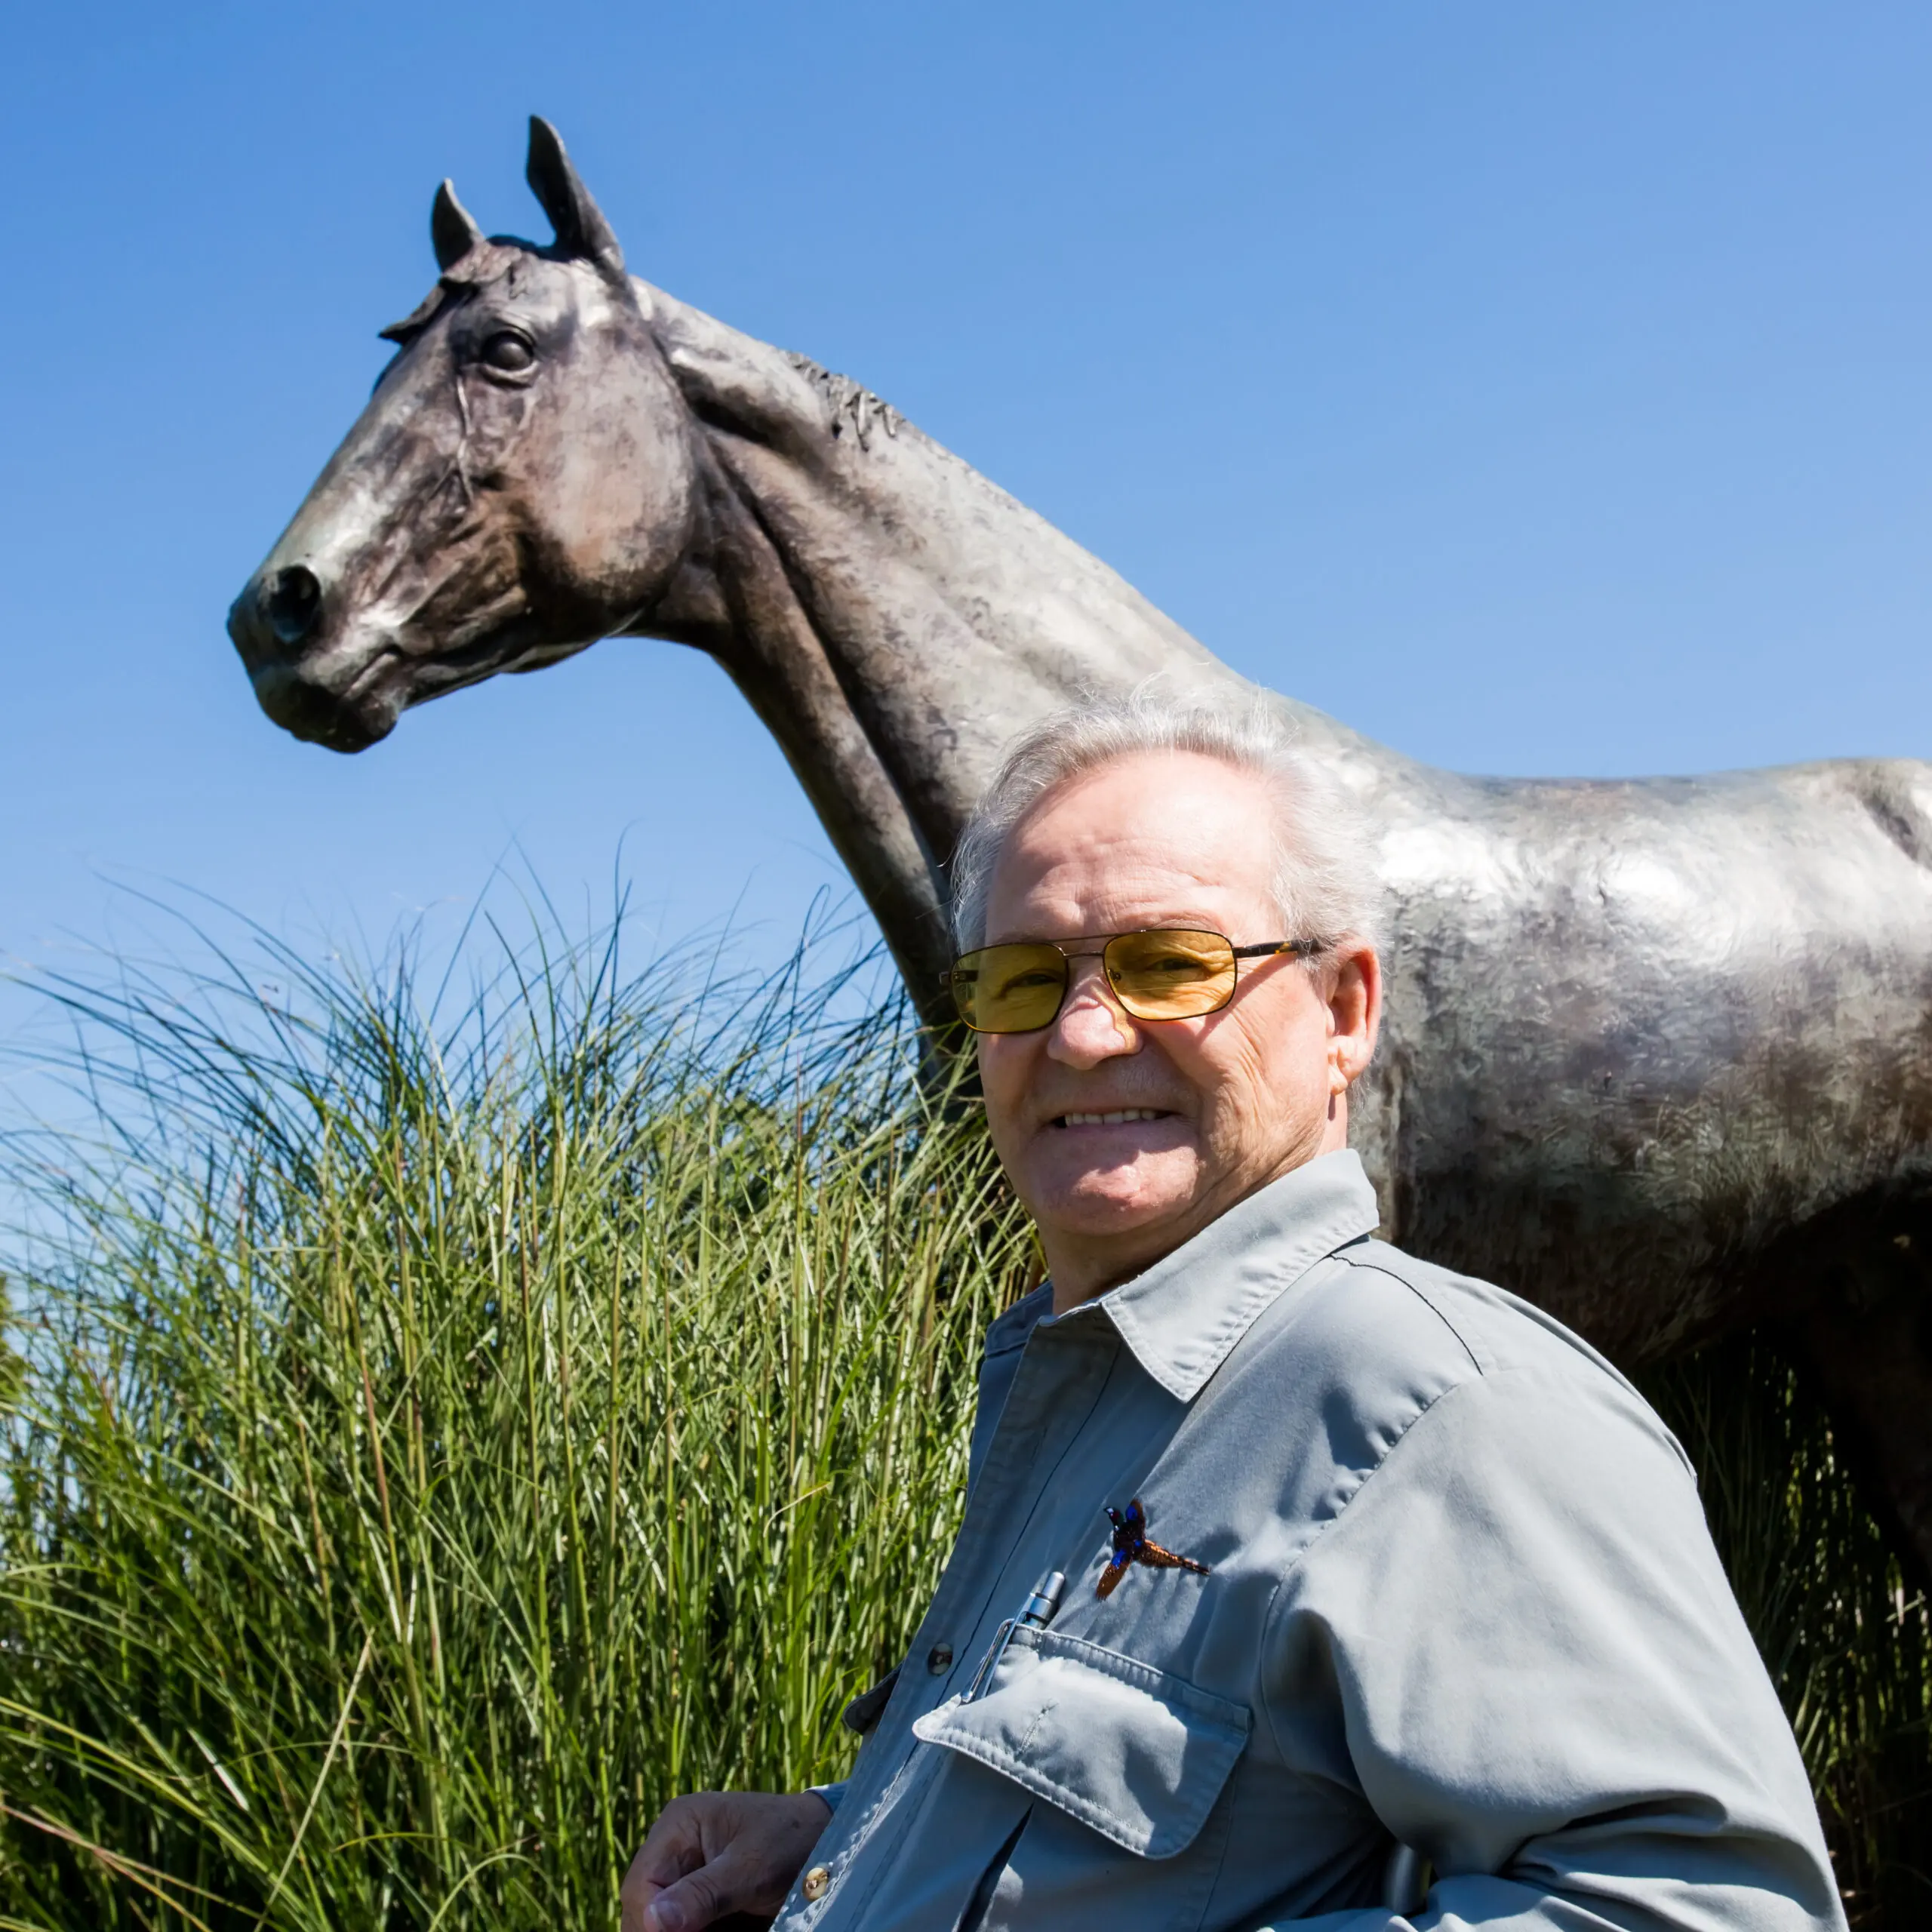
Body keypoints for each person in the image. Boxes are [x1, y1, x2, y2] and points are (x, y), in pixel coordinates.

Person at [621, 691, 1845, 1932]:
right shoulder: (1100, 1393)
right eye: (1024, 977)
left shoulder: (1443, 1407)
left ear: (1344, 1012)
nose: (1086, 1032)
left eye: (1171, 964)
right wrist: (849, 1841)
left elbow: (1707, 1911)